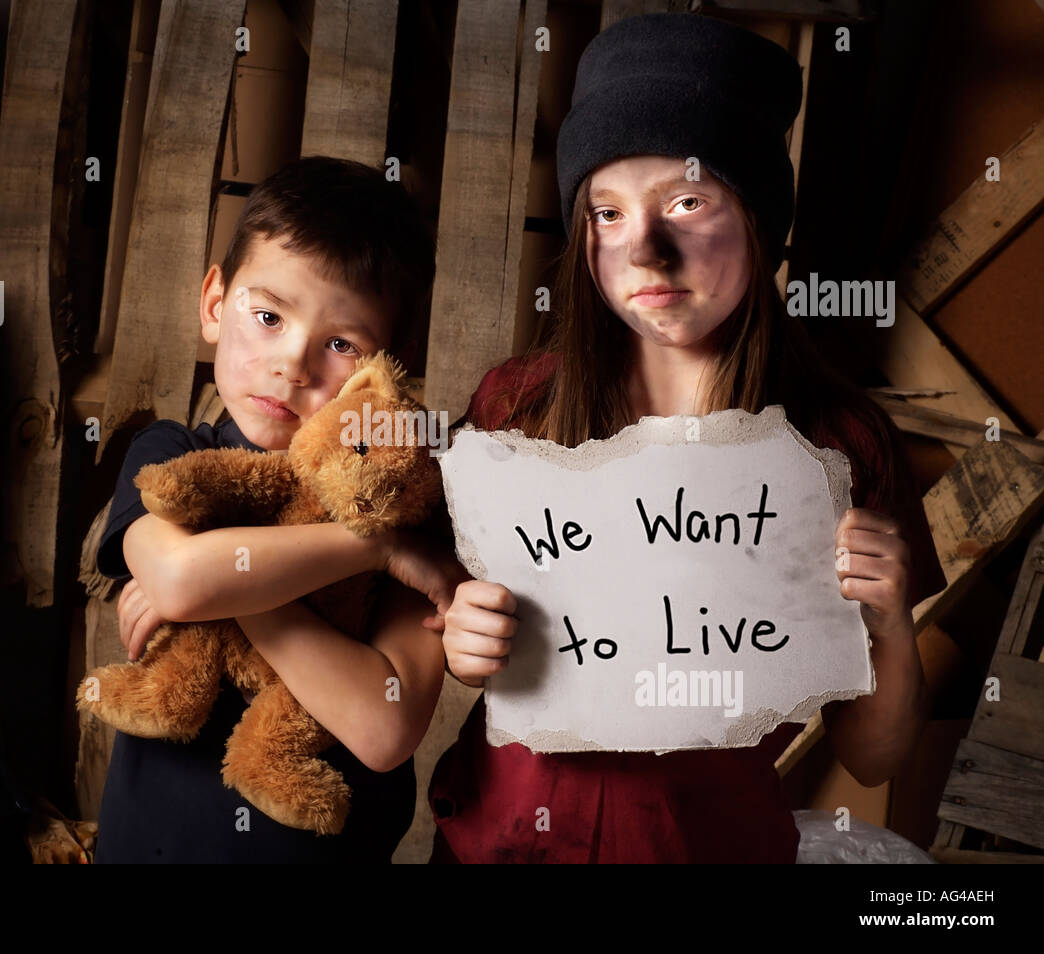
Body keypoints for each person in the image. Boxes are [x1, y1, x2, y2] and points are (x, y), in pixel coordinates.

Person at [428, 12, 949, 864]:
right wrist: (462, 639)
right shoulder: (514, 408)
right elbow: (459, 636)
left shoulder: (836, 447)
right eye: (607, 211)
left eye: (687, 201)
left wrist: (887, 622)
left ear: (759, 220)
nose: (646, 249)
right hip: (503, 844)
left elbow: (874, 753)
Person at [93, 157, 463, 862]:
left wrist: (230, 589)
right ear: (214, 301)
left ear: (388, 366)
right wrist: (372, 550)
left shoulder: (402, 501)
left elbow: (382, 729)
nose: (292, 363)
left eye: (340, 343)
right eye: (267, 316)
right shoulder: (173, 453)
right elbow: (176, 580)